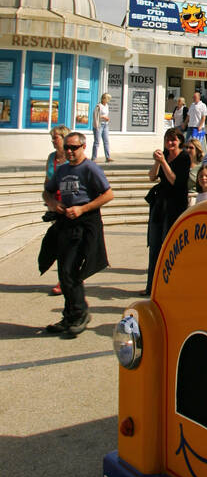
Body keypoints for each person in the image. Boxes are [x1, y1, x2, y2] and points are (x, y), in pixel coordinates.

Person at [40, 133, 113, 336]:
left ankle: (79, 313)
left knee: (72, 270)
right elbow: (47, 191)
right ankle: (70, 315)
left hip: (84, 223)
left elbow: (108, 194)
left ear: (83, 147)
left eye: (74, 147)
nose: (70, 151)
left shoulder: (89, 168)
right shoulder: (62, 170)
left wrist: (83, 208)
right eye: (67, 147)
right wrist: (53, 204)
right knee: (64, 271)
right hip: (66, 223)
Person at [144, 129, 191, 294]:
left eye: (173, 140)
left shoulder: (184, 157)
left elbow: (175, 181)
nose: (170, 143)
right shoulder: (163, 155)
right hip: (159, 205)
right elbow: (151, 177)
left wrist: (163, 162)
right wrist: (157, 162)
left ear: (179, 141)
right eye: (167, 140)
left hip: (175, 206)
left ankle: (168, 286)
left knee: (168, 245)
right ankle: (151, 286)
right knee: (154, 246)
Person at [44, 124, 71, 295]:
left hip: (70, 205)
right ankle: (69, 275)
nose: (53, 141)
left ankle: (65, 279)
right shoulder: (51, 158)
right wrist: (49, 201)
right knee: (61, 244)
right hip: (56, 206)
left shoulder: (72, 159)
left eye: (56, 137)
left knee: (67, 244)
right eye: (52, 138)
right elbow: (47, 180)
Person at [91, 93, 112, 162]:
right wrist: (103, 117)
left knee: (106, 141)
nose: (108, 100)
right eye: (108, 99)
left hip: (105, 125)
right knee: (97, 142)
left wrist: (107, 118)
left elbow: (106, 114)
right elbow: (95, 116)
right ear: (104, 99)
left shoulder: (107, 106)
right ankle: (94, 157)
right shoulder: (98, 106)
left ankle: (108, 157)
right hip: (99, 125)